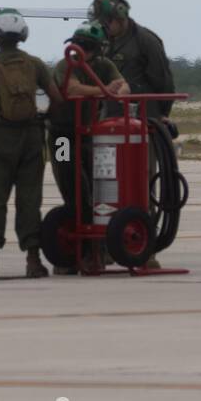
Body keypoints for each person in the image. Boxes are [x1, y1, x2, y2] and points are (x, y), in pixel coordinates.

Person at [0, 8, 64, 280]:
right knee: (30, 200)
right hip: (33, 139)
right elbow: (56, 99)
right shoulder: (35, 65)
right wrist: (47, 125)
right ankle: (34, 261)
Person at [90, 0, 176, 268]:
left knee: (141, 183)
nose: (104, 27)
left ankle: (145, 249)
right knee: (104, 185)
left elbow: (164, 83)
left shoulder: (146, 42)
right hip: (107, 126)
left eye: (107, 22)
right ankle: (105, 248)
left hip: (142, 127)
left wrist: (160, 116)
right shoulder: (100, 42)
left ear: (121, 17)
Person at [47, 22, 129, 274]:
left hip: (91, 134)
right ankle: (78, 245)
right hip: (63, 135)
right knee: (69, 181)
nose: (79, 50)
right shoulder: (66, 65)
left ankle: (99, 248)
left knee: (99, 188)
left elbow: (124, 88)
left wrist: (114, 90)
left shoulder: (104, 65)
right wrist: (104, 91)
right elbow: (70, 89)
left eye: (84, 46)